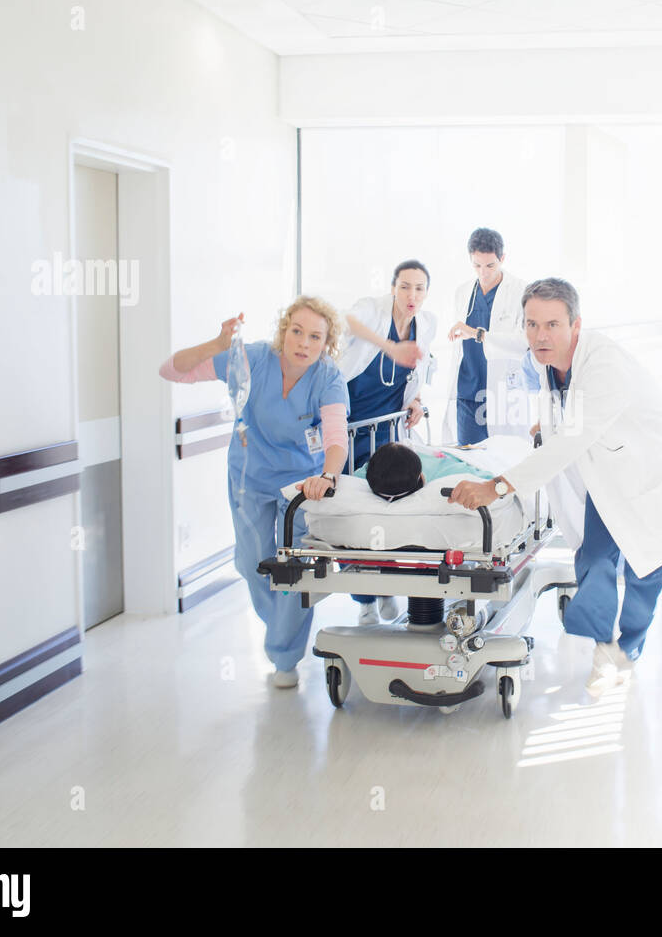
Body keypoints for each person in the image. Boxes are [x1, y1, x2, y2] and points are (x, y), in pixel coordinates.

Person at [447, 278, 662, 697]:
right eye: (531, 324)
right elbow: (565, 415)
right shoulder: (549, 361)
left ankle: (627, 650)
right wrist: (545, 423)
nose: (540, 336)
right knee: (595, 558)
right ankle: (604, 645)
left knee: (645, 570)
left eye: (552, 325)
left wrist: (499, 485)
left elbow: (570, 440)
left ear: (575, 325)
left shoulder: (603, 365)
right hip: (608, 474)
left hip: (651, 473)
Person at [159, 296, 348, 690]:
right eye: (297, 331)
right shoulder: (253, 359)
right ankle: (283, 626)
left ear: (326, 343)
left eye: (315, 336)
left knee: (296, 570)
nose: (304, 342)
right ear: (284, 331)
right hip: (250, 475)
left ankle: (285, 654)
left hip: (303, 486)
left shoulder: (328, 377)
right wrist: (217, 344)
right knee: (251, 563)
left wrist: (328, 477)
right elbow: (171, 370)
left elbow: (334, 436)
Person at [339, 259, 437, 624]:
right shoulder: (371, 309)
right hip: (350, 430)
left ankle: (387, 587)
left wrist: (416, 401)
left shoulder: (427, 324)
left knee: (393, 512)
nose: (412, 295)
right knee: (357, 514)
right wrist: (389, 347)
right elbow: (345, 320)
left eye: (420, 288)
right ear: (393, 288)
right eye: (405, 286)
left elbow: (418, 375)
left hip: (390, 432)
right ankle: (364, 600)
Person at [442, 227, 532, 445]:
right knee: (470, 460)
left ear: (502, 258)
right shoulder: (463, 292)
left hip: (503, 393)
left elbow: (525, 343)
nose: (483, 272)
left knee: (503, 461)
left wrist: (477, 334)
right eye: (477, 265)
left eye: (490, 265)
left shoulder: (521, 291)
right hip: (467, 391)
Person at [362, 441, 492, 502]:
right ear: (421, 475)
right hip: (464, 454)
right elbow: (490, 480)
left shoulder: (367, 474)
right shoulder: (452, 473)